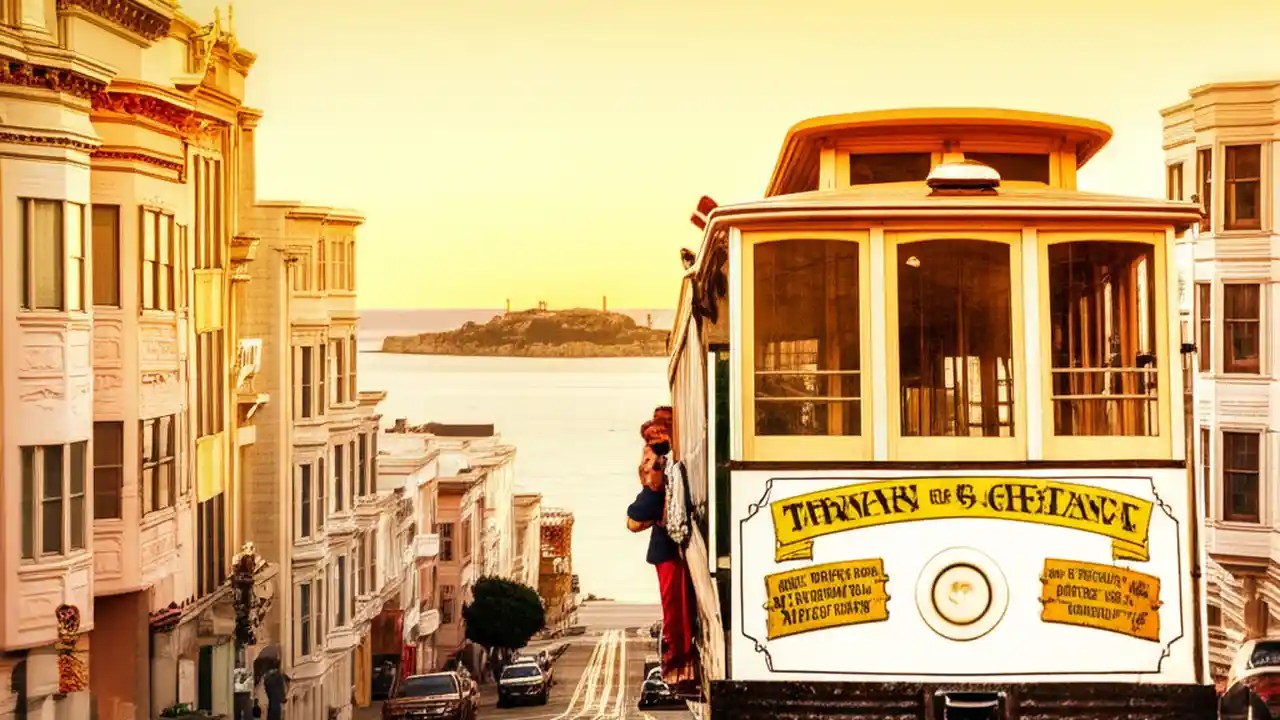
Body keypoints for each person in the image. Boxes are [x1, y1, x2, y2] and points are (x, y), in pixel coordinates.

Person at [626, 434, 696, 688]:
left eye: (647, 459)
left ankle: (679, 667)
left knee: (674, 611)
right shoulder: (668, 483)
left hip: (670, 556)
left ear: (660, 461)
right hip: (670, 553)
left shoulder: (659, 487)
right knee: (675, 610)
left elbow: (634, 519)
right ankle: (679, 664)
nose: (643, 466)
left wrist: (648, 486)